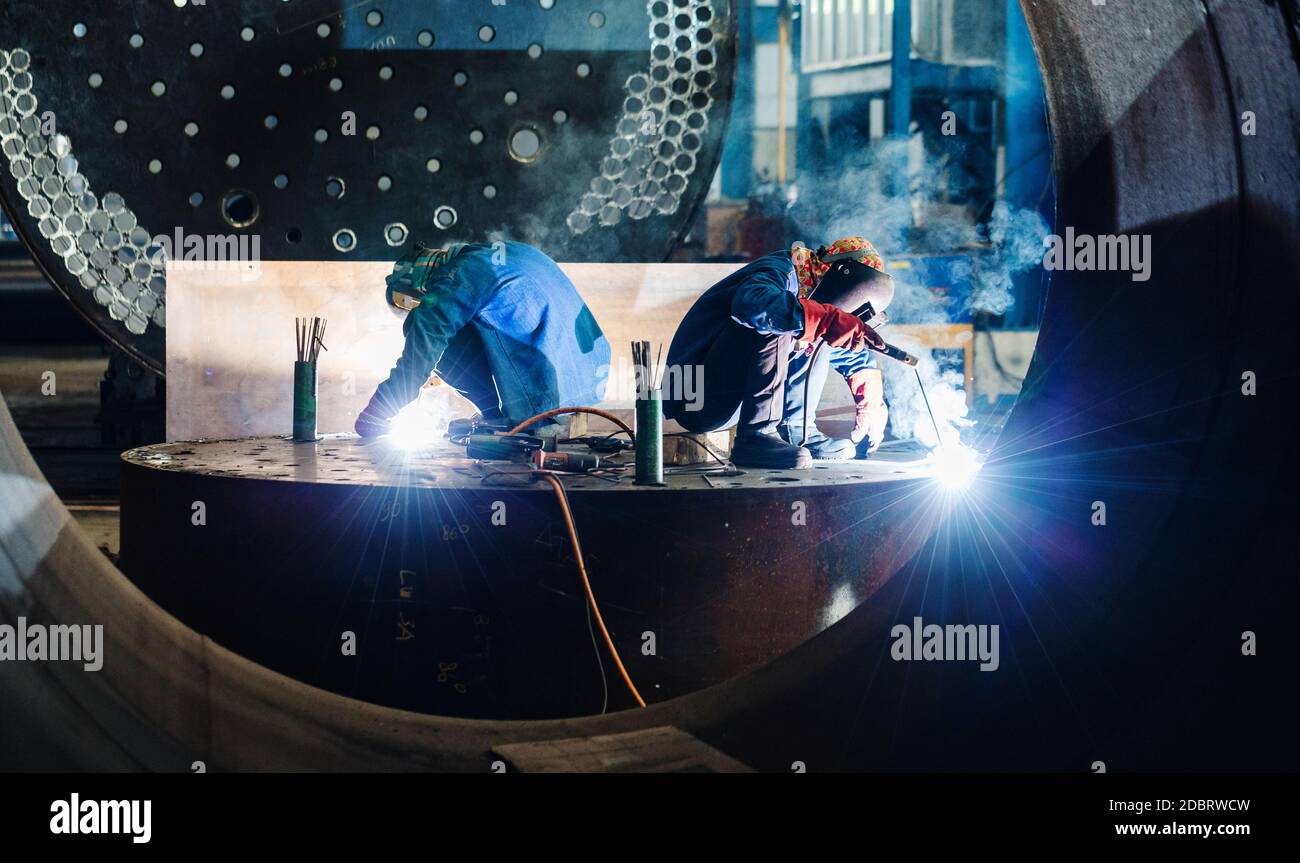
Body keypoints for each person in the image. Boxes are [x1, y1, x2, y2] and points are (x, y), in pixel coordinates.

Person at [663, 237, 894, 469]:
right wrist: (825, 320)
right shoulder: (780, 269)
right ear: (836, 272)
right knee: (783, 316)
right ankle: (757, 436)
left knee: (813, 323)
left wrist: (867, 389)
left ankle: (797, 431)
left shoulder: (811, 286)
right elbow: (752, 306)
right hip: (693, 398)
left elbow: (831, 340)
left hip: (726, 400)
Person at [356, 241, 610, 437]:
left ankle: (502, 417)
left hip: (544, 397)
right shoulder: (500, 253)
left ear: (416, 284)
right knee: (462, 323)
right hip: (584, 380)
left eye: (409, 301)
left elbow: (423, 348)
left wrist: (378, 412)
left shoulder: (457, 275)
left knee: (424, 328)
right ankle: (503, 415)